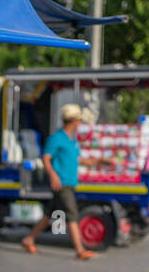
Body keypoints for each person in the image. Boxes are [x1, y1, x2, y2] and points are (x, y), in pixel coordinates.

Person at [21, 103, 98, 259]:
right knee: (71, 214)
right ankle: (80, 250)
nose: (79, 124)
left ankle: (29, 239)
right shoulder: (56, 138)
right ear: (73, 121)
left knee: (50, 214)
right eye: (78, 120)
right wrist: (53, 176)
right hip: (62, 183)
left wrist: (97, 161)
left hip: (70, 181)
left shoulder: (71, 140)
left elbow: (76, 158)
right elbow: (46, 158)